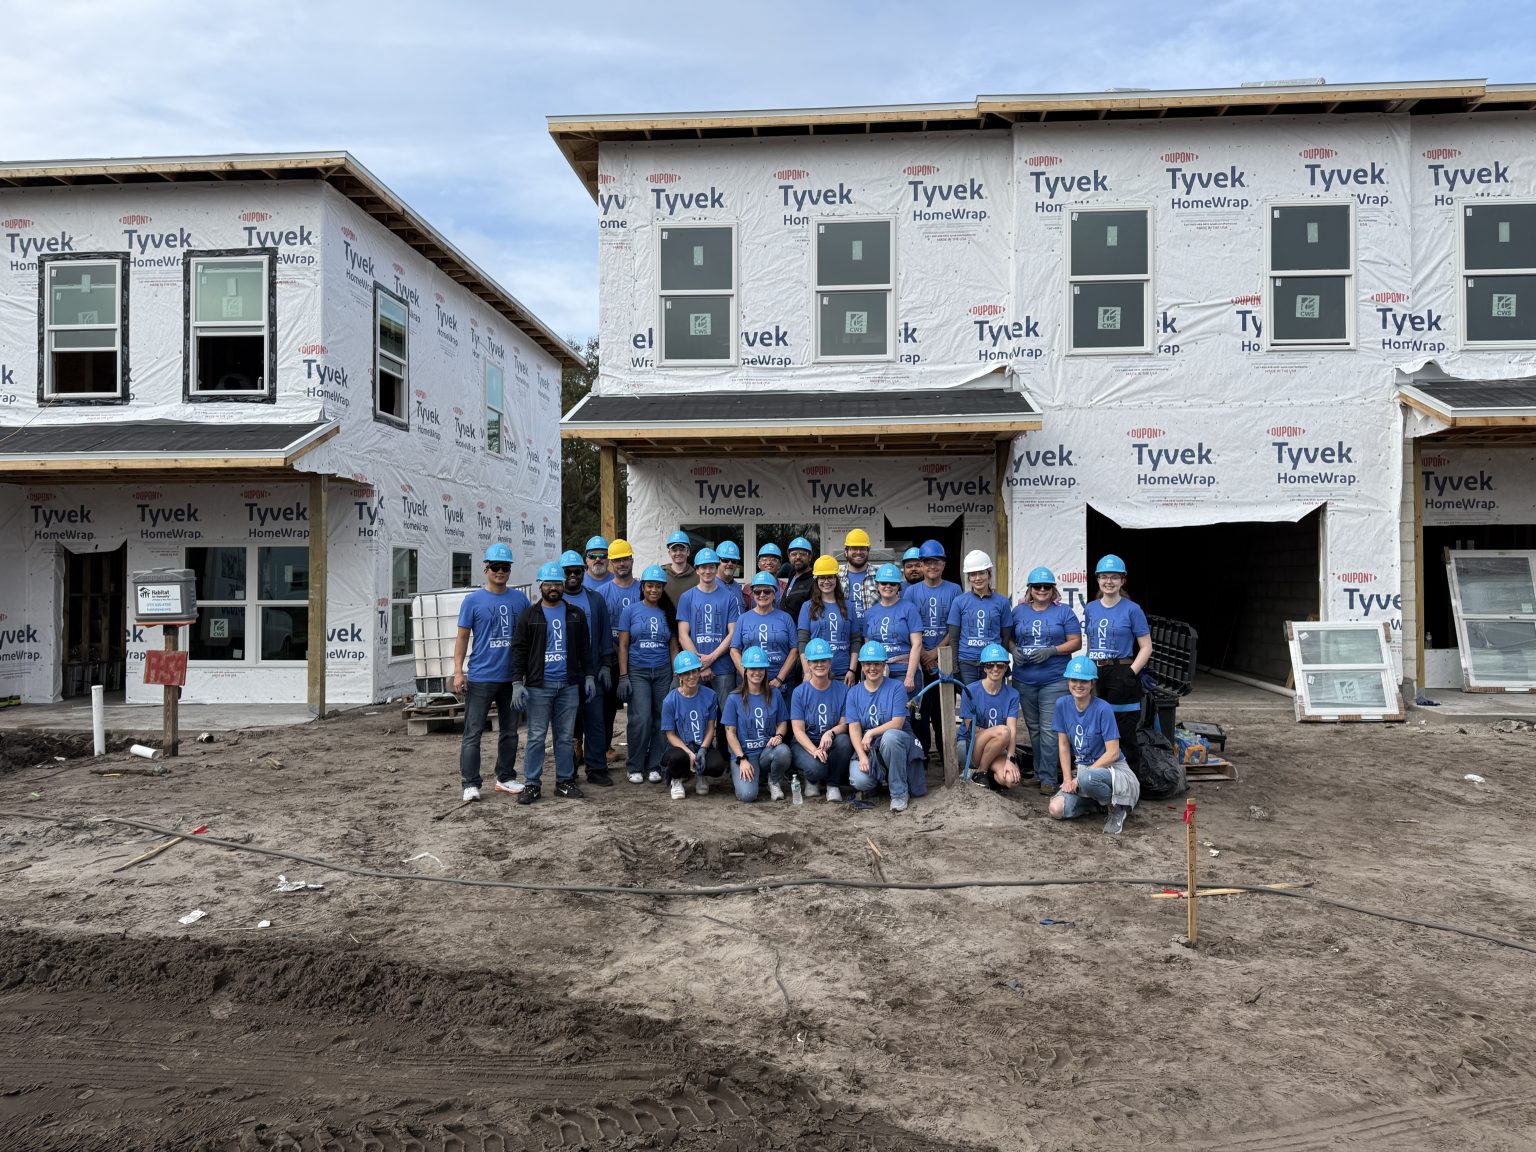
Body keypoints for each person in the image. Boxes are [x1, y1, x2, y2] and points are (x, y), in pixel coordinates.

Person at [510, 561, 595, 805]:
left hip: (568, 685)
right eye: (548, 584)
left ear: (563, 585)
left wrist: (589, 675)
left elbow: (584, 650)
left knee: (565, 737)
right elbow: (519, 650)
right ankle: (532, 784)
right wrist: (518, 682)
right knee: (536, 736)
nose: (553, 588)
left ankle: (565, 782)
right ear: (541, 586)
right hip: (539, 686)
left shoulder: (575, 615)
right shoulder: (530, 615)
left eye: (557, 583)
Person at [452, 543, 528, 801]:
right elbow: (462, 637)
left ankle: (505, 777)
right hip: (482, 677)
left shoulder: (520, 599)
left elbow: (528, 637)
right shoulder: (472, 601)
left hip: (511, 679)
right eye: (495, 567)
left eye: (505, 567)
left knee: (510, 731)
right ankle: (470, 783)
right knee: (472, 733)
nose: (500, 571)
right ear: (486, 569)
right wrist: (458, 672)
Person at [1009, 566, 1082, 795]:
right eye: (1037, 586)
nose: (1042, 590)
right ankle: (1041, 773)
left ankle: (1049, 778)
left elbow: (1076, 642)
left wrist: (1052, 651)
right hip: (1024, 678)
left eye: (1046, 587)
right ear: (1029, 590)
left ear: (1053, 590)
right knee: (1034, 728)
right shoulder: (1018, 612)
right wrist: (1013, 649)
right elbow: (1008, 639)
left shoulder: (1064, 613)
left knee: (1050, 729)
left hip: (1055, 679)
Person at [1048, 655, 1140, 834]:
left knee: (1086, 778)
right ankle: (1095, 803)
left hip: (1113, 770)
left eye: (1084, 681)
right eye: (1074, 680)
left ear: (1092, 684)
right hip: (1084, 772)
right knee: (1056, 809)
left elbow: (1113, 753)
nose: (1078, 685)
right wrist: (1067, 779)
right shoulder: (1062, 705)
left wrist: (1080, 777)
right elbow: (1064, 745)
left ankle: (1117, 807)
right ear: (1068, 681)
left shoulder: (1103, 708)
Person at [1082, 554, 1152, 775]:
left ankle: (1130, 783)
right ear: (1098, 580)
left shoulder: (1132, 609)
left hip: (1121, 670)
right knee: (1096, 726)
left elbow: (1146, 647)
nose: (1108, 582)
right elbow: (1091, 643)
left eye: (1114, 577)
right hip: (1095, 672)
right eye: (1104, 577)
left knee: (1123, 730)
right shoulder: (1091, 608)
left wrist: (1130, 673)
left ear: (1123, 581)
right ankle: (1100, 776)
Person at [617, 565, 675, 785]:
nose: (654, 590)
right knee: (641, 719)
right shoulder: (630, 611)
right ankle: (635, 765)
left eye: (658, 586)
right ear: (642, 587)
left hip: (662, 671)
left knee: (662, 719)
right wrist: (624, 676)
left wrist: (675, 676)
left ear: (663, 588)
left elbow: (673, 647)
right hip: (638, 671)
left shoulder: (668, 612)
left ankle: (655, 765)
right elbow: (623, 645)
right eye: (650, 585)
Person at [561, 550, 613, 786]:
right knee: (567, 724)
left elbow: (604, 633)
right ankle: (567, 770)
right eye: (568, 572)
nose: (573, 575)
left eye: (577, 571)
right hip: (564, 673)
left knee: (595, 721)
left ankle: (597, 768)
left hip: (591, 670)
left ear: (584, 572)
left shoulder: (595, 598)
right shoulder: (553, 598)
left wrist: (604, 664)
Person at [905, 540, 961, 758]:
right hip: (918, 661)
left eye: (937, 562)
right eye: (928, 562)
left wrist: (936, 653)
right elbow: (909, 630)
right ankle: (923, 757)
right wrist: (923, 658)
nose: (932, 567)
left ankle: (946, 756)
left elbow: (954, 627)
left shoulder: (954, 589)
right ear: (921, 565)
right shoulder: (911, 592)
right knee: (919, 711)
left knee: (943, 712)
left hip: (943, 660)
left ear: (944, 565)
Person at [845, 640, 915, 813]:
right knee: (859, 781)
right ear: (861, 666)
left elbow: (898, 723)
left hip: (897, 742)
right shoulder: (854, 692)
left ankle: (899, 793)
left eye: (877, 663)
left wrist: (870, 733)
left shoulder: (896, 687)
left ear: (884, 665)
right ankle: (879, 783)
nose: (872, 668)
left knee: (890, 737)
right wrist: (861, 756)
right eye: (868, 664)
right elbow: (853, 728)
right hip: (871, 749)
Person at [722, 646, 791, 802]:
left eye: (761, 668)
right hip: (745, 754)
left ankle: (773, 781)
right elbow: (730, 733)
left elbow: (782, 723)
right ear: (745, 670)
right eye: (752, 668)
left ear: (766, 671)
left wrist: (779, 735)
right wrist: (742, 759)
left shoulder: (775, 694)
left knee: (784, 752)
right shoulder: (734, 698)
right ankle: (753, 776)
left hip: (767, 751)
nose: (757, 672)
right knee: (747, 796)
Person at [676, 547, 740, 713]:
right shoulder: (687, 597)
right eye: (703, 567)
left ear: (716, 567)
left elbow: (733, 633)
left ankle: (725, 741)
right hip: (694, 669)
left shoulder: (729, 597)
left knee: (727, 714)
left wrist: (711, 658)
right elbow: (683, 635)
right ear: (697, 570)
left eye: (711, 567)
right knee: (695, 712)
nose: (707, 571)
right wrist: (701, 665)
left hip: (723, 667)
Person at [790, 637, 851, 802]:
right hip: (805, 744)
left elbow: (845, 724)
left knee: (845, 741)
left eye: (823, 660)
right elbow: (798, 730)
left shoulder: (843, 690)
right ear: (808, 664)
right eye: (815, 661)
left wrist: (830, 733)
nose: (819, 665)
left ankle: (833, 785)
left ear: (830, 662)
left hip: (831, 743)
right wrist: (814, 750)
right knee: (817, 768)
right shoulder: (799, 692)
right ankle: (812, 778)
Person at [661, 651, 726, 799]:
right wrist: (689, 753)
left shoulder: (710, 695)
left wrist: (703, 749)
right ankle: (676, 780)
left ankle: (701, 775)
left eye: (695, 671)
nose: (692, 676)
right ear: (679, 676)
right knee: (677, 758)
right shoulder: (670, 701)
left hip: (701, 744)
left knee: (717, 765)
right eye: (686, 673)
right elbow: (670, 734)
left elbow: (710, 727)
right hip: (680, 747)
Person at [957, 643, 1022, 787]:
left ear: (1006, 668)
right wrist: (998, 735)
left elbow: (1013, 730)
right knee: (1004, 731)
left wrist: (1010, 758)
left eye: (1000, 665)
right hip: (971, 746)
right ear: (984, 668)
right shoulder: (970, 690)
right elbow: (972, 729)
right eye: (990, 665)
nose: (995, 669)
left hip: (998, 745)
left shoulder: (1013, 694)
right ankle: (981, 771)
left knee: (1011, 781)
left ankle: (985, 776)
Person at [599, 538, 640, 760]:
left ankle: (639, 749)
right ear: (610, 564)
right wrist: (616, 649)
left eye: (624, 559)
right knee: (608, 706)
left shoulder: (643, 588)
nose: (621, 564)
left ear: (632, 559)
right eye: (616, 560)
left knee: (640, 708)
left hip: (640, 656)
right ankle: (605, 747)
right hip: (613, 657)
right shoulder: (604, 592)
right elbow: (601, 626)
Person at [948, 550, 1013, 686]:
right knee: (971, 702)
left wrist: (1002, 661)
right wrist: (954, 666)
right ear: (968, 578)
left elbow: (1005, 637)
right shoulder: (959, 601)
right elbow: (954, 638)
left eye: (981, 573)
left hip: (992, 663)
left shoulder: (1002, 602)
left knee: (992, 701)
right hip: (967, 663)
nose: (977, 578)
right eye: (972, 574)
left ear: (989, 574)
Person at [731, 572, 799, 693]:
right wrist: (747, 675)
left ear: (774, 594)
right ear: (753, 595)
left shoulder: (785, 618)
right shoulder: (743, 618)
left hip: (780, 682)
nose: (762, 595)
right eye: (757, 591)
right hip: (750, 681)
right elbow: (734, 650)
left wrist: (779, 678)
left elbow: (794, 649)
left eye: (767, 591)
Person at [861, 563, 921, 694]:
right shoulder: (869, 614)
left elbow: (917, 644)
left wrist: (910, 676)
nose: (888, 586)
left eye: (892, 583)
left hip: (903, 670)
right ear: (877, 585)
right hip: (875, 672)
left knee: (901, 713)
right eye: (884, 583)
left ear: (898, 586)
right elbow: (867, 646)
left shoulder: (909, 608)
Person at [798, 556, 857, 685]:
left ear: (836, 579)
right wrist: (807, 671)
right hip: (815, 674)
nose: (826, 581)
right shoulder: (807, 607)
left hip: (843, 675)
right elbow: (803, 642)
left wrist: (852, 670)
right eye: (822, 578)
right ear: (816, 580)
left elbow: (855, 641)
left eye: (830, 577)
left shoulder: (849, 606)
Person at [839, 528, 881, 636]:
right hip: (846, 635)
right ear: (846, 552)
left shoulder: (880, 575)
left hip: (875, 633)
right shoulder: (836, 576)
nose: (858, 552)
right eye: (854, 548)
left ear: (868, 551)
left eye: (862, 548)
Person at [780, 536, 817, 622]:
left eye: (802, 554)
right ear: (789, 557)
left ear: (810, 557)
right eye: (794, 554)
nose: (798, 557)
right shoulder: (792, 575)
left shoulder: (814, 580)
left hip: (801, 632)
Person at [661, 529, 695, 619]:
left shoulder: (697, 577)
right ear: (669, 553)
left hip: (689, 628)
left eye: (682, 549)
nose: (678, 553)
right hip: (665, 628)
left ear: (688, 552)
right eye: (674, 550)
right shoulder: (660, 575)